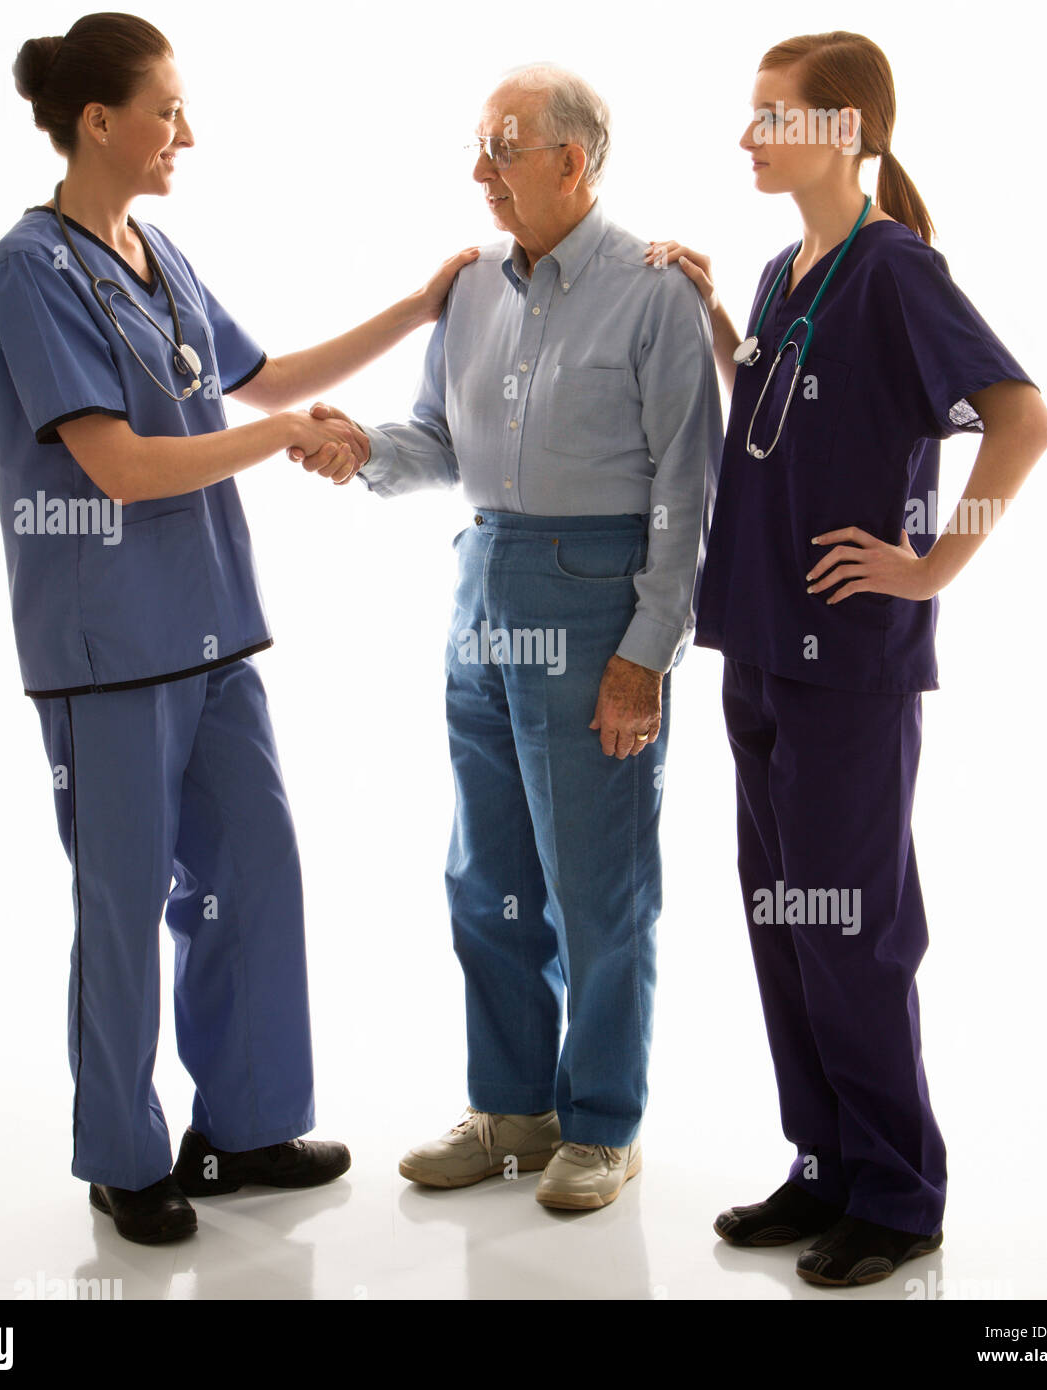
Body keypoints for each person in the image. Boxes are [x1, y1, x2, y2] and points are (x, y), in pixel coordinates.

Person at [0, 11, 476, 1245]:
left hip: (211, 635)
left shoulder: (161, 254)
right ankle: (123, 1155)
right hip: (108, 649)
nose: (184, 134)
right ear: (101, 121)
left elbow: (268, 371)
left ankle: (246, 1126)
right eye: (167, 111)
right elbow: (121, 467)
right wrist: (283, 437)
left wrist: (420, 307)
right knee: (124, 899)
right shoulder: (29, 269)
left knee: (252, 871)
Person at [645, 30, 1047, 1284]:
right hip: (759, 642)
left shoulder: (893, 269)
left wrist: (929, 565)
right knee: (783, 921)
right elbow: (773, 405)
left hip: (847, 666)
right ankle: (822, 1165)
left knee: (854, 928)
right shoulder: (787, 270)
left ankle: (896, 1194)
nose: (748, 134)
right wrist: (718, 316)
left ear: (841, 131)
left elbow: (1022, 420)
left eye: (772, 114)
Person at [303, 65, 722, 1212]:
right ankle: (515, 1109)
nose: (478, 170)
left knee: (598, 883)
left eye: (500, 147)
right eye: (479, 146)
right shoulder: (475, 286)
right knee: (483, 873)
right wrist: (365, 450)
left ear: (571, 162)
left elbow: (689, 495)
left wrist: (647, 651)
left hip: (595, 603)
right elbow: (440, 438)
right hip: (482, 587)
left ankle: (602, 1123)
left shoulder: (654, 294)